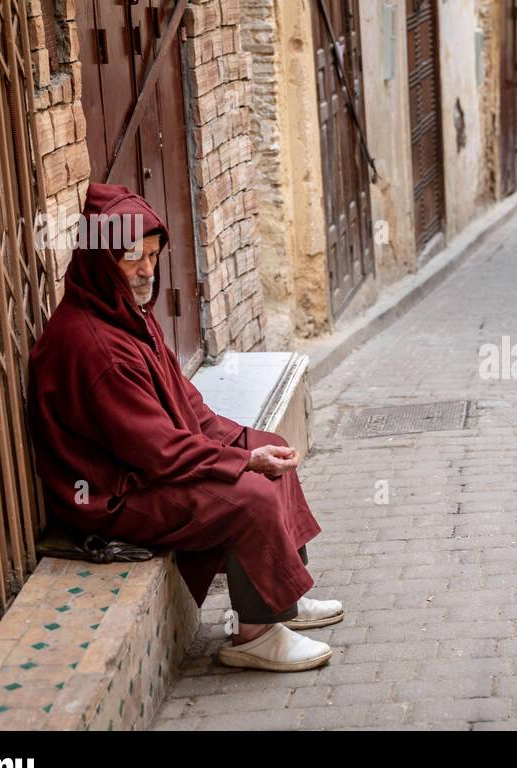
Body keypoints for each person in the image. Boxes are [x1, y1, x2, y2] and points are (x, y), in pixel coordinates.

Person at [28, 183, 343, 673]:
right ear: (100, 257)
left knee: (271, 446)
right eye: (132, 257)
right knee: (250, 495)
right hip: (114, 494)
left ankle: (284, 595)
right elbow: (156, 452)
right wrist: (240, 462)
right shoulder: (93, 347)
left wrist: (241, 442)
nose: (147, 270)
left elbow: (188, 407)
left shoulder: (127, 315)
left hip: (148, 466)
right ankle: (254, 634)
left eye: (152, 255)